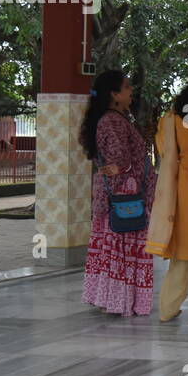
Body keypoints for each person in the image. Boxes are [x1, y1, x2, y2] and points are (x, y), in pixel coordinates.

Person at [80, 69, 157, 316]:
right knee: (124, 248)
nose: (131, 90)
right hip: (125, 197)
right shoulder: (111, 121)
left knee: (114, 249)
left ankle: (113, 299)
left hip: (117, 195)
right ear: (114, 94)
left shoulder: (111, 119)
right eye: (126, 87)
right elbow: (118, 161)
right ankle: (118, 301)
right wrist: (129, 181)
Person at [147, 57, 188, 326]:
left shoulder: (177, 111)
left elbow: (163, 146)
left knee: (184, 253)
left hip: (183, 187)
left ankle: (167, 309)